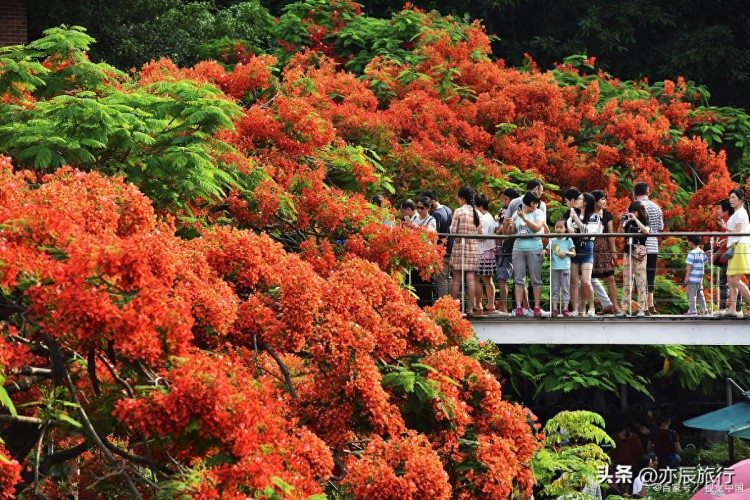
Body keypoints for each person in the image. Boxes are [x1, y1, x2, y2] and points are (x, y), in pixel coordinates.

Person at [566, 190, 602, 316]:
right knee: (573, 281)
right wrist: (572, 221)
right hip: (575, 247)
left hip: (587, 247)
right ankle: (576, 309)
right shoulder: (573, 215)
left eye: (579, 199)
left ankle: (591, 308)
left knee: (586, 281)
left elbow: (587, 232)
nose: (576, 200)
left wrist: (576, 220)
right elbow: (570, 230)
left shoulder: (595, 216)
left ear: (585, 202)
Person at [512, 191, 545, 317]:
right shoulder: (517, 212)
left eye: (537, 203)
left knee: (535, 279)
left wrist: (525, 218)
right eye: (533, 203)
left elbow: (537, 228)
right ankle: (519, 307)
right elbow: (512, 231)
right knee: (519, 279)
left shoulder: (539, 212)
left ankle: (536, 307)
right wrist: (509, 225)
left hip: (534, 247)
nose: (535, 206)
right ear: (527, 203)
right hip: (518, 247)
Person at [450, 187, 482, 316]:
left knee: (456, 279)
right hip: (473, 247)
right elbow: (481, 233)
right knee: (471, 279)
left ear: (462, 198)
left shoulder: (458, 211)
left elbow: (452, 231)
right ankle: (470, 309)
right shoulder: (478, 213)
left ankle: (451, 308)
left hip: (459, 246)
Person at [633, 182, 664, 315]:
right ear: (648, 192)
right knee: (650, 274)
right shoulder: (656, 207)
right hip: (653, 245)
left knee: (641, 275)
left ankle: (645, 306)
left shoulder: (635, 207)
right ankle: (651, 304)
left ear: (635, 194)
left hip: (640, 246)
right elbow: (661, 227)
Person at [401, 198, 436, 306]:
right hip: (414, 256)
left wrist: (414, 227)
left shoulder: (431, 220)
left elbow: (429, 234)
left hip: (425, 257)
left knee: (424, 287)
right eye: (418, 207)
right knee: (413, 284)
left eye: (422, 208)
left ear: (428, 208)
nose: (419, 210)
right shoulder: (415, 218)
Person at [618, 201, 650, 316]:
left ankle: (642, 309)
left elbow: (646, 231)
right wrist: (622, 221)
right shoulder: (628, 222)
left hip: (640, 255)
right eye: (631, 211)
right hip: (628, 253)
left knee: (640, 281)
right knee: (627, 282)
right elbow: (619, 234)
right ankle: (624, 309)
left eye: (635, 211)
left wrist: (636, 220)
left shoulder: (645, 221)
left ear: (640, 212)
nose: (632, 214)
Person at [722, 188, 750, 317]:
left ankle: (735, 307)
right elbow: (735, 233)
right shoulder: (738, 212)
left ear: (741, 199)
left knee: (734, 279)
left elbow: (738, 232)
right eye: (730, 198)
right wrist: (725, 240)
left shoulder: (741, 213)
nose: (731, 200)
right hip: (736, 246)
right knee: (731, 278)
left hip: (739, 247)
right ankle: (732, 308)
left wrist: (725, 227)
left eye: (733, 197)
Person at [591, 190, 620, 315]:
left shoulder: (607, 214)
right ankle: (599, 306)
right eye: (602, 199)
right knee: (588, 279)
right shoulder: (588, 213)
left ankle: (615, 306)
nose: (604, 201)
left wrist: (613, 251)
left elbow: (610, 234)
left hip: (604, 249)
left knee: (610, 278)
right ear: (595, 201)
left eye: (605, 199)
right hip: (591, 247)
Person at [423, 190, 453, 298]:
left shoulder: (436, 214)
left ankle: (443, 303)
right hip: (450, 248)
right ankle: (451, 301)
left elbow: (434, 234)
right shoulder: (448, 209)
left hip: (441, 249)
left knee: (441, 278)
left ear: (432, 201)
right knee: (448, 276)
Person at [495, 188, 519, 314]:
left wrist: (499, 230)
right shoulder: (519, 211)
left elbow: (502, 231)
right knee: (518, 279)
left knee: (502, 278)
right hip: (512, 247)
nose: (503, 201)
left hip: (507, 247)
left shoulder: (510, 212)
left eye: (505, 198)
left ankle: (504, 307)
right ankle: (522, 307)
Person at [475, 193, 500, 315]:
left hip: (482, 251)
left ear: (479, 206)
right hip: (489, 251)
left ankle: (478, 304)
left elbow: (482, 235)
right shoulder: (490, 216)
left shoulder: (483, 218)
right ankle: (491, 304)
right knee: (487, 280)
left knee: (476, 279)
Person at [547, 218, 576, 317]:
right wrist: (544, 252)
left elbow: (573, 253)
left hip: (565, 267)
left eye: (561, 227)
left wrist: (566, 252)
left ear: (565, 229)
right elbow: (548, 252)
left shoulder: (568, 240)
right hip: (554, 267)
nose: (558, 229)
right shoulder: (552, 240)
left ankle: (565, 308)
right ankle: (554, 308)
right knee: (554, 288)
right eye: (557, 227)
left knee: (565, 288)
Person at [713, 199, 737, 313]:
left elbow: (727, 243)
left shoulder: (727, 222)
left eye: (719, 208)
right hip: (728, 256)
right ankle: (736, 308)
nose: (717, 211)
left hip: (727, 257)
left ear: (726, 210)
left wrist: (715, 255)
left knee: (725, 283)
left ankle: (723, 308)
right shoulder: (726, 221)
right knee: (733, 282)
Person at [684, 235, 708, 316]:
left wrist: (687, 276)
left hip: (692, 278)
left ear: (691, 243)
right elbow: (705, 260)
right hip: (699, 278)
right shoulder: (701, 252)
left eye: (687, 241)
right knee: (700, 295)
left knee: (692, 295)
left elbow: (689, 266)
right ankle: (704, 310)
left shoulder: (692, 253)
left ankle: (692, 310)